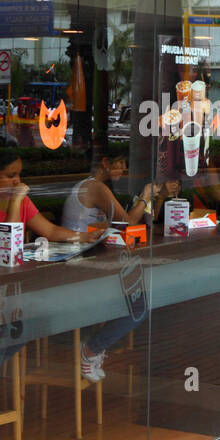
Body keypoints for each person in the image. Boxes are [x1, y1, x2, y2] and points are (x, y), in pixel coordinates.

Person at [0, 149, 93, 413]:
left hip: (6, 284)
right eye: (10, 175)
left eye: (19, 174)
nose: (18, 181)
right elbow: (4, 240)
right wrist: (17, 202)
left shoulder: (19, 198)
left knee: (31, 324)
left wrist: (83, 237)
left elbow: (49, 230)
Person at [62, 155, 180, 379]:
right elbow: (127, 223)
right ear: (105, 163)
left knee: (141, 298)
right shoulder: (94, 186)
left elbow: (145, 222)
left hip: (94, 262)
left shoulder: (99, 187)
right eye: (120, 164)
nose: (124, 169)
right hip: (82, 267)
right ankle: (92, 349)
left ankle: (97, 345)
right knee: (139, 305)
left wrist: (159, 198)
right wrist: (145, 197)